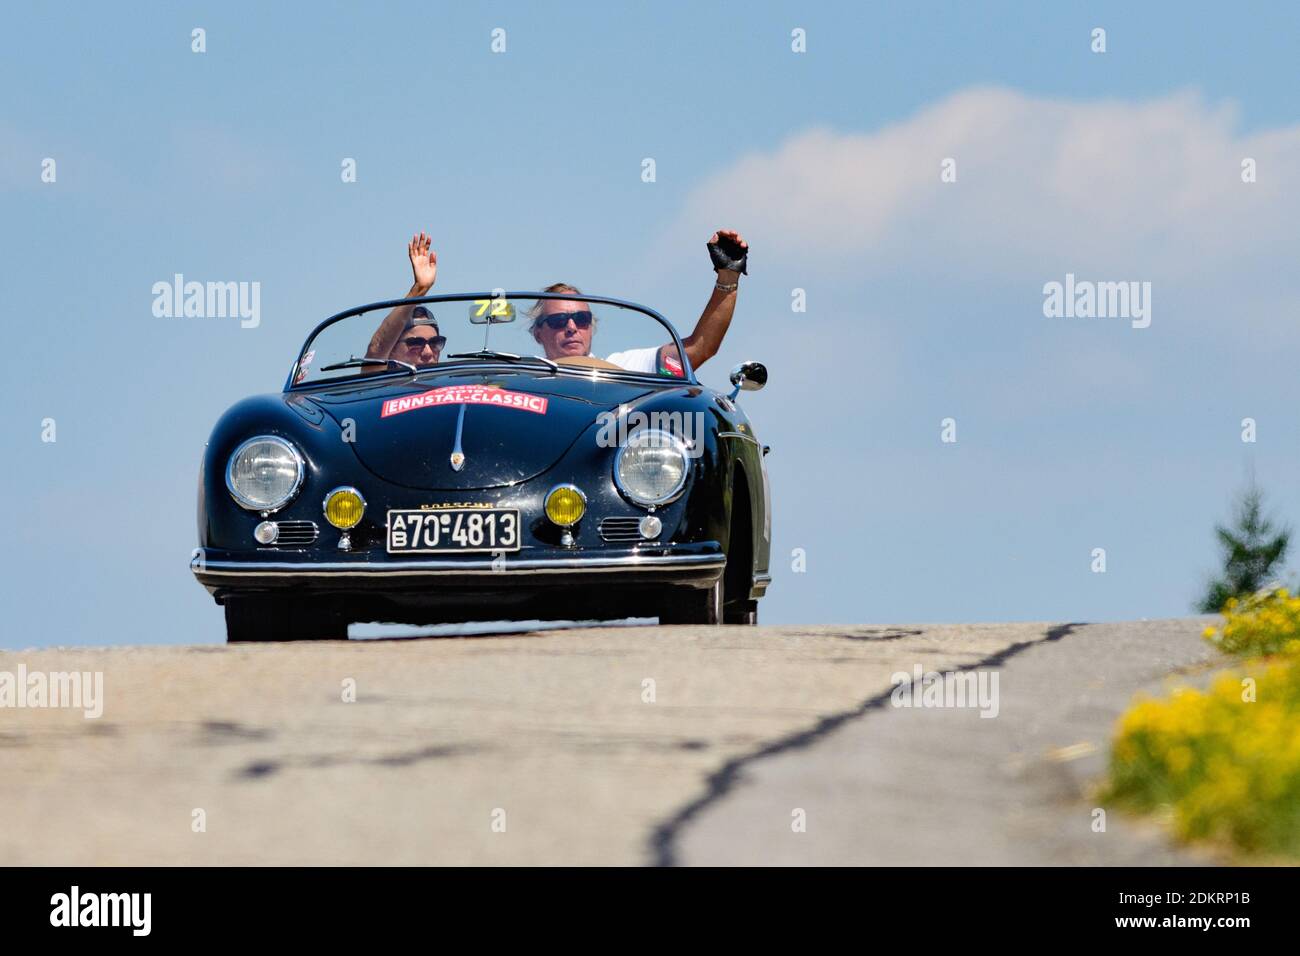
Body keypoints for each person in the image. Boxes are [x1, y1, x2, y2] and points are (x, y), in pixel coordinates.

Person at [530, 229, 747, 376]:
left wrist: (728, 276)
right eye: (559, 320)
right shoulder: (523, 379)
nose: (571, 328)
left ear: (591, 327)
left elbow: (700, 348)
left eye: (581, 319)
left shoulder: (622, 368)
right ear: (538, 333)